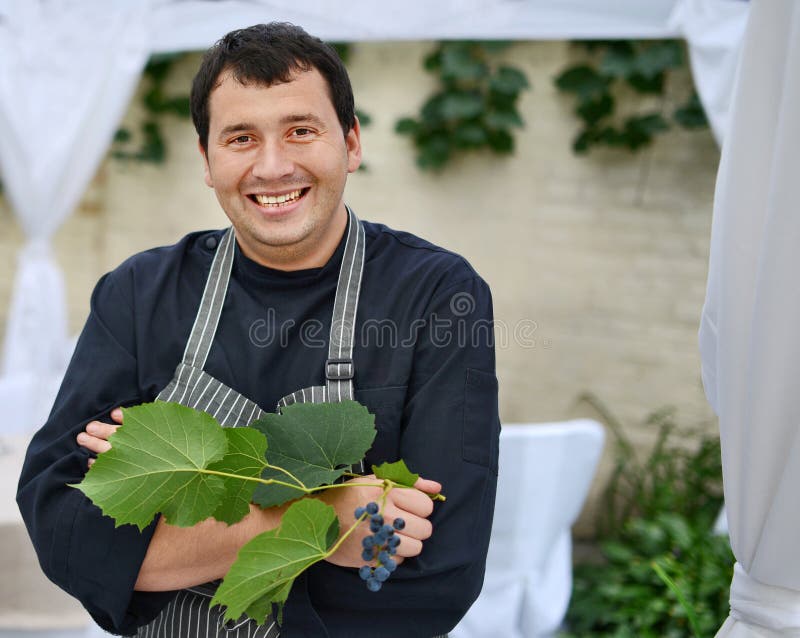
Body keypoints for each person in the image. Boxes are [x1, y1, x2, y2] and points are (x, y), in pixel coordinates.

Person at [17, 22, 499, 638]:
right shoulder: (140, 294)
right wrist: (324, 516)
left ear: (351, 143)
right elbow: (65, 533)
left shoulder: (435, 296)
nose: (273, 167)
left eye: (301, 130)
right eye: (241, 137)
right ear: (208, 161)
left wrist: (170, 533)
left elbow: (437, 574)